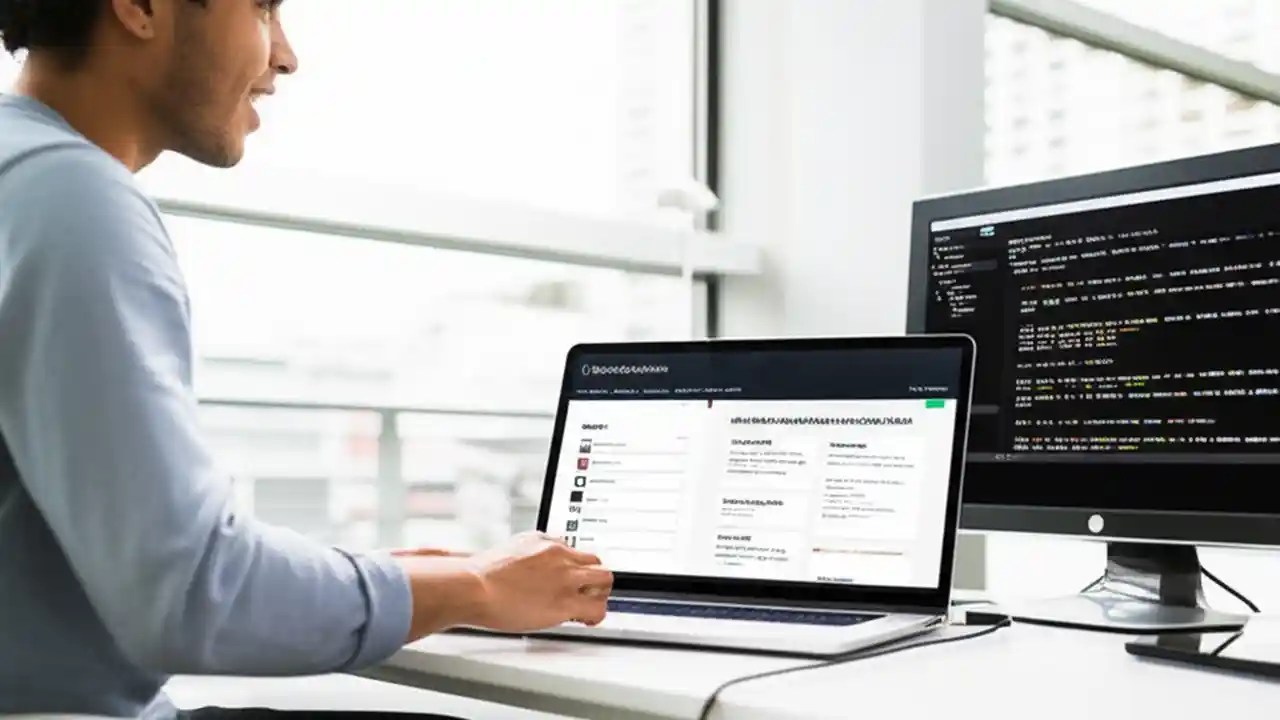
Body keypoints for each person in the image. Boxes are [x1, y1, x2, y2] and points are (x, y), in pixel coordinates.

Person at [0, 1, 613, 717]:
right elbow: (194, 595)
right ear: (138, 6)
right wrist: (473, 589)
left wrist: (400, 577)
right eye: (261, 7)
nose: (284, 55)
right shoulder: (72, 200)